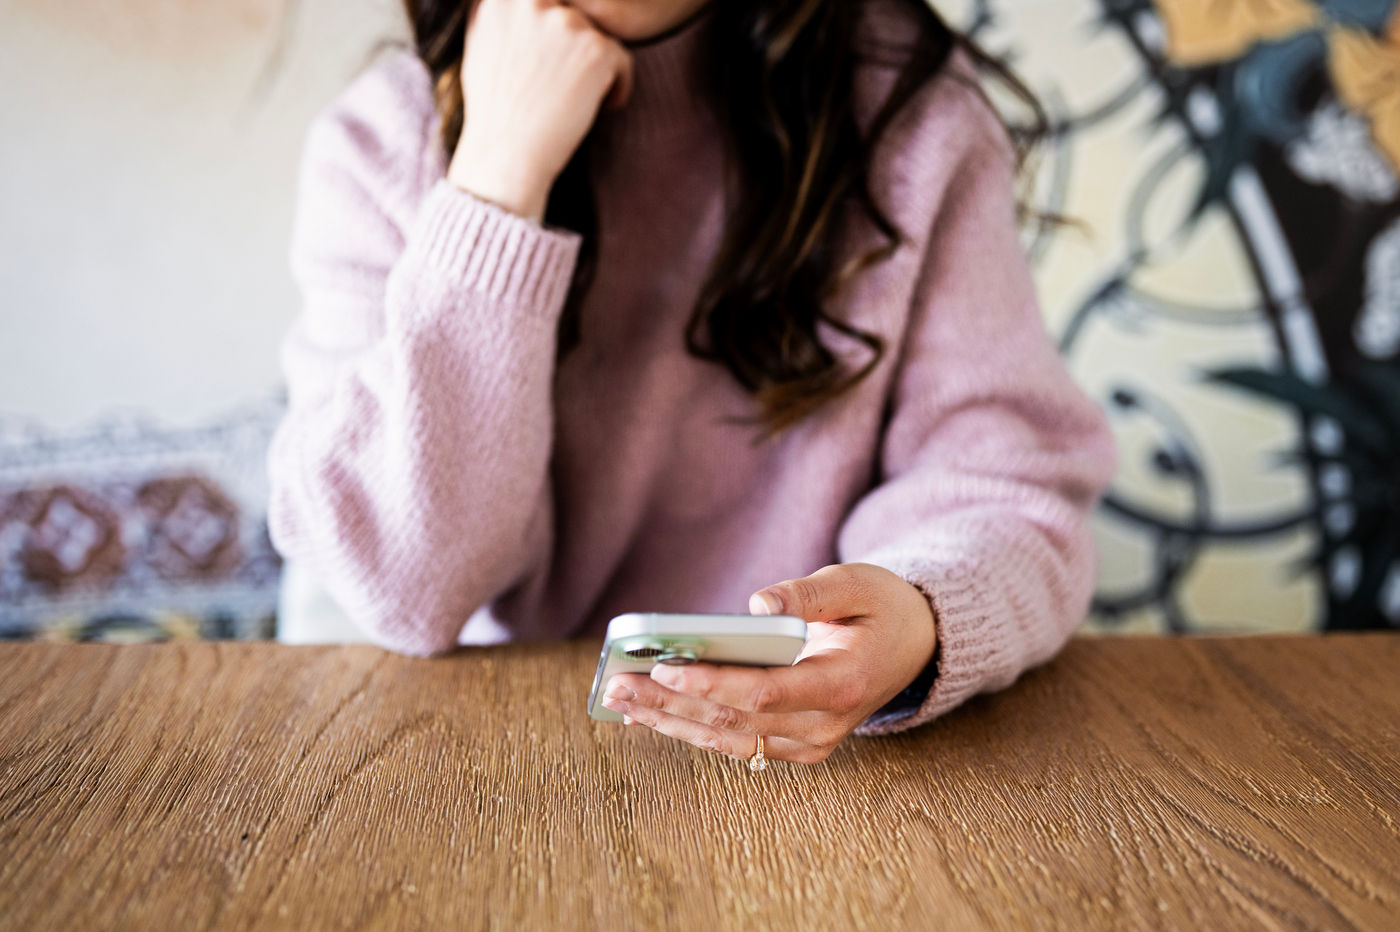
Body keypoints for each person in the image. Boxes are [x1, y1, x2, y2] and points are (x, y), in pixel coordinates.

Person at [267, 0, 1117, 766]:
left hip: (836, 764)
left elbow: (1009, 491)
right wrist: (495, 179)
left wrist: (923, 614)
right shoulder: (383, 140)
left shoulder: (909, 111)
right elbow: (406, 585)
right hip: (501, 760)